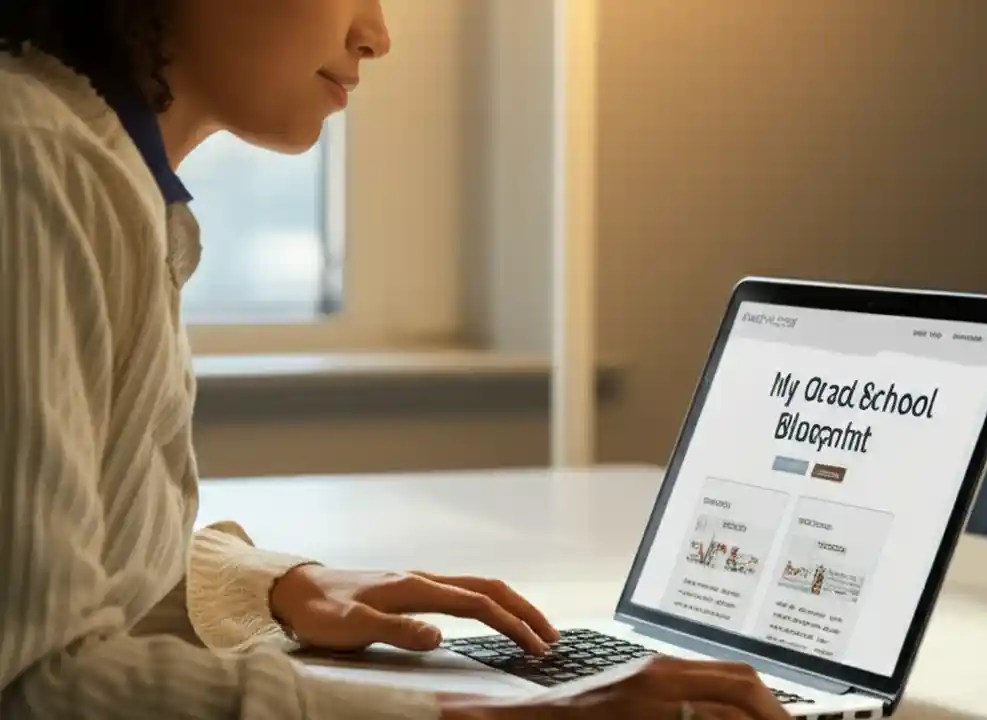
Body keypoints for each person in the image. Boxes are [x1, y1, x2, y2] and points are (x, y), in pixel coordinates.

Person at [0, 1, 790, 718]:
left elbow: (71, 580)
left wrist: (271, 586)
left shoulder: (101, 174)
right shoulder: (32, 165)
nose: (376, 34)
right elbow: (36, 683)